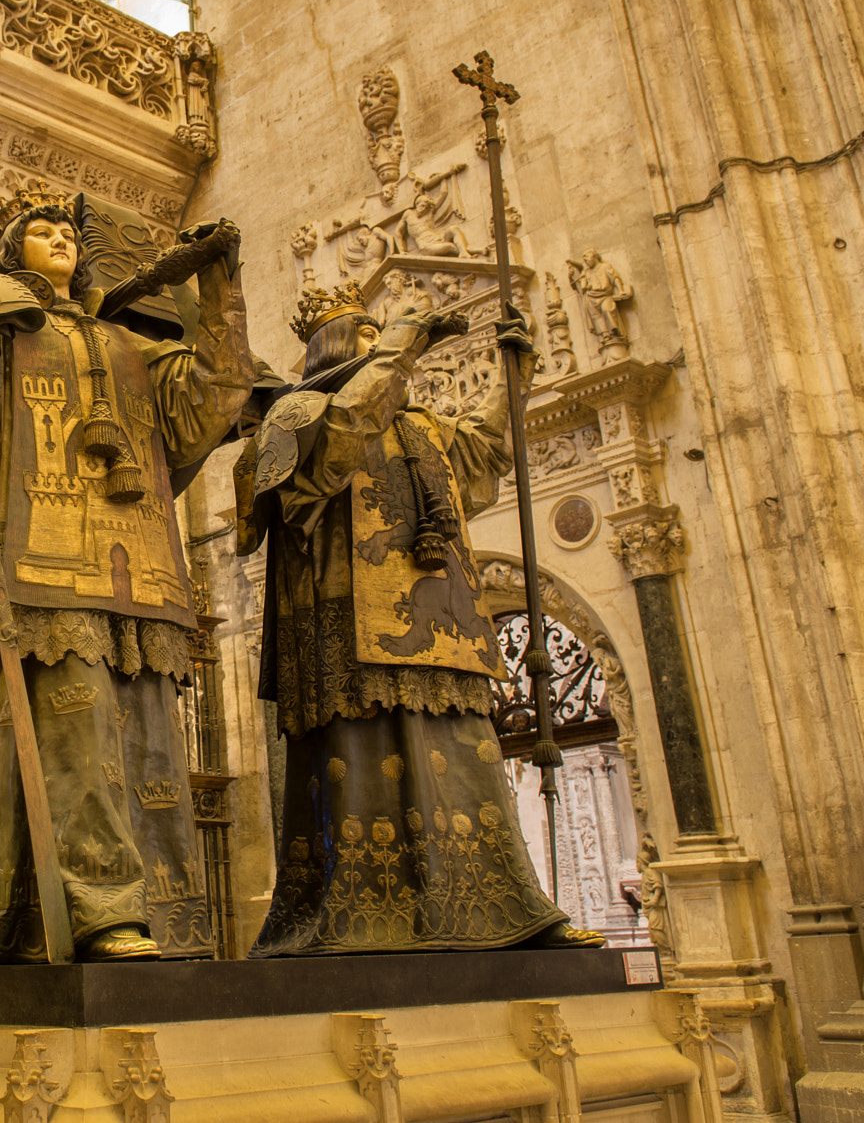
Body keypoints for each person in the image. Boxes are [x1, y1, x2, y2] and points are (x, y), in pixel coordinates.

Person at [0, 86, 256, 963]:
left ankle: (165, 914)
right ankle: (95, 908)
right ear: (11, 253)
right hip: (42, 563)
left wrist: (221, 288)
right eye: (42, 231)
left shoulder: (137, 349)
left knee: (150, 740)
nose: (62, 238)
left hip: (141, 568)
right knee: (79, 737)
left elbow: (216, 401)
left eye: (69, 231)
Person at [237, 280, 599, 955]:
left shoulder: (420, 425)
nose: (387, 348)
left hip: (446, 632)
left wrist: (511, 378)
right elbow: (343, 439)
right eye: (371, 338)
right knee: (368, 769)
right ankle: (365, 917)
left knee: (469, 769)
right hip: (348, 640)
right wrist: (402, 348)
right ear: (337, 350)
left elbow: (486, 454)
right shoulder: (296, 416)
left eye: (386, 337)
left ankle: (502, 910)